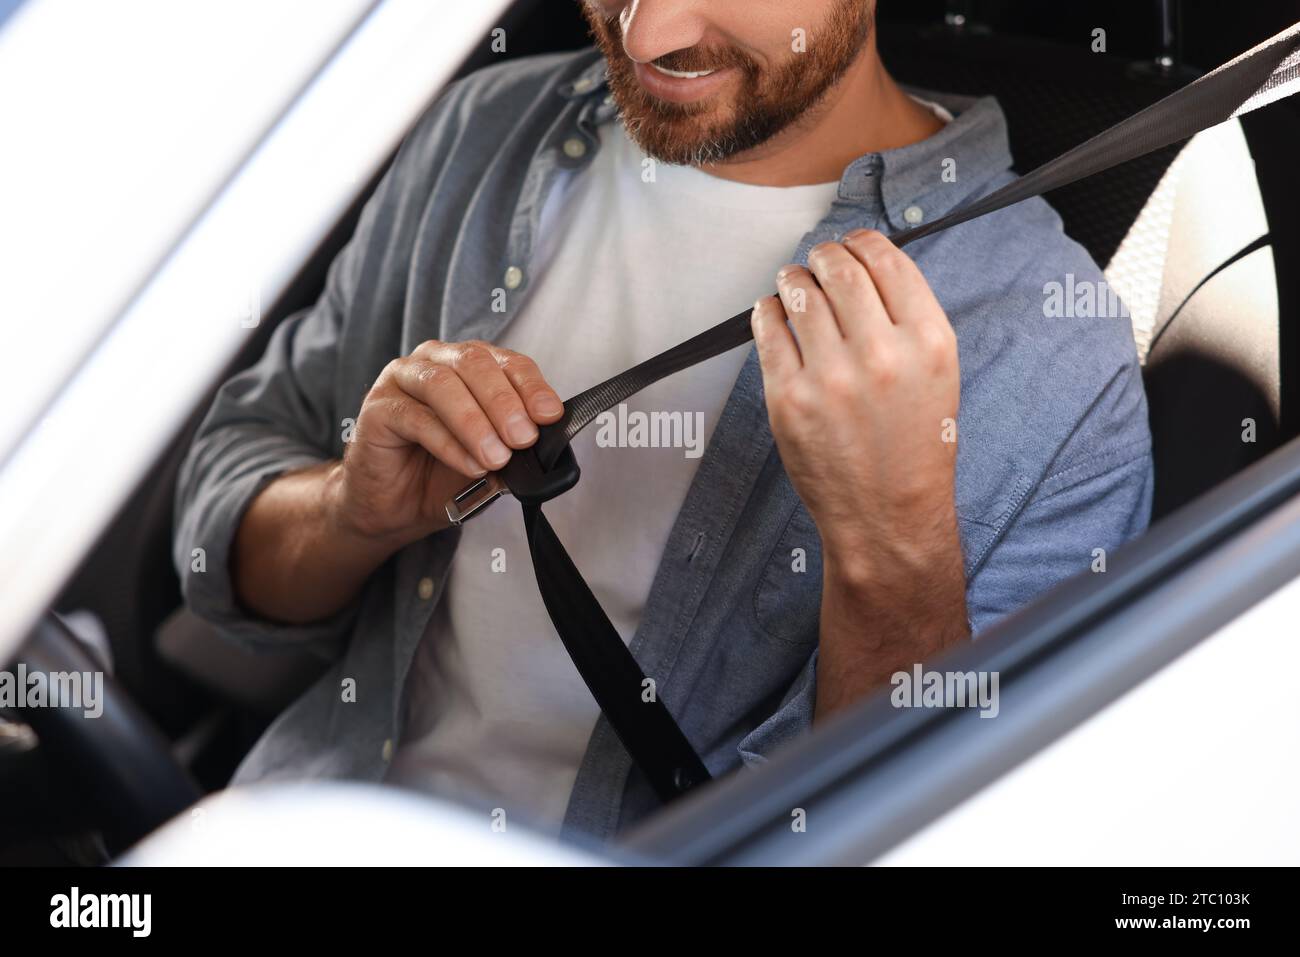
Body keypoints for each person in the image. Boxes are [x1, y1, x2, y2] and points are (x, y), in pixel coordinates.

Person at [175, 0, 1152, 840]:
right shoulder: (483, 132)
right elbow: (220, 524)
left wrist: (890, 554)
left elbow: (939, 836)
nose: (648, 34)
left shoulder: (1047, 344)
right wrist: (353, 511)